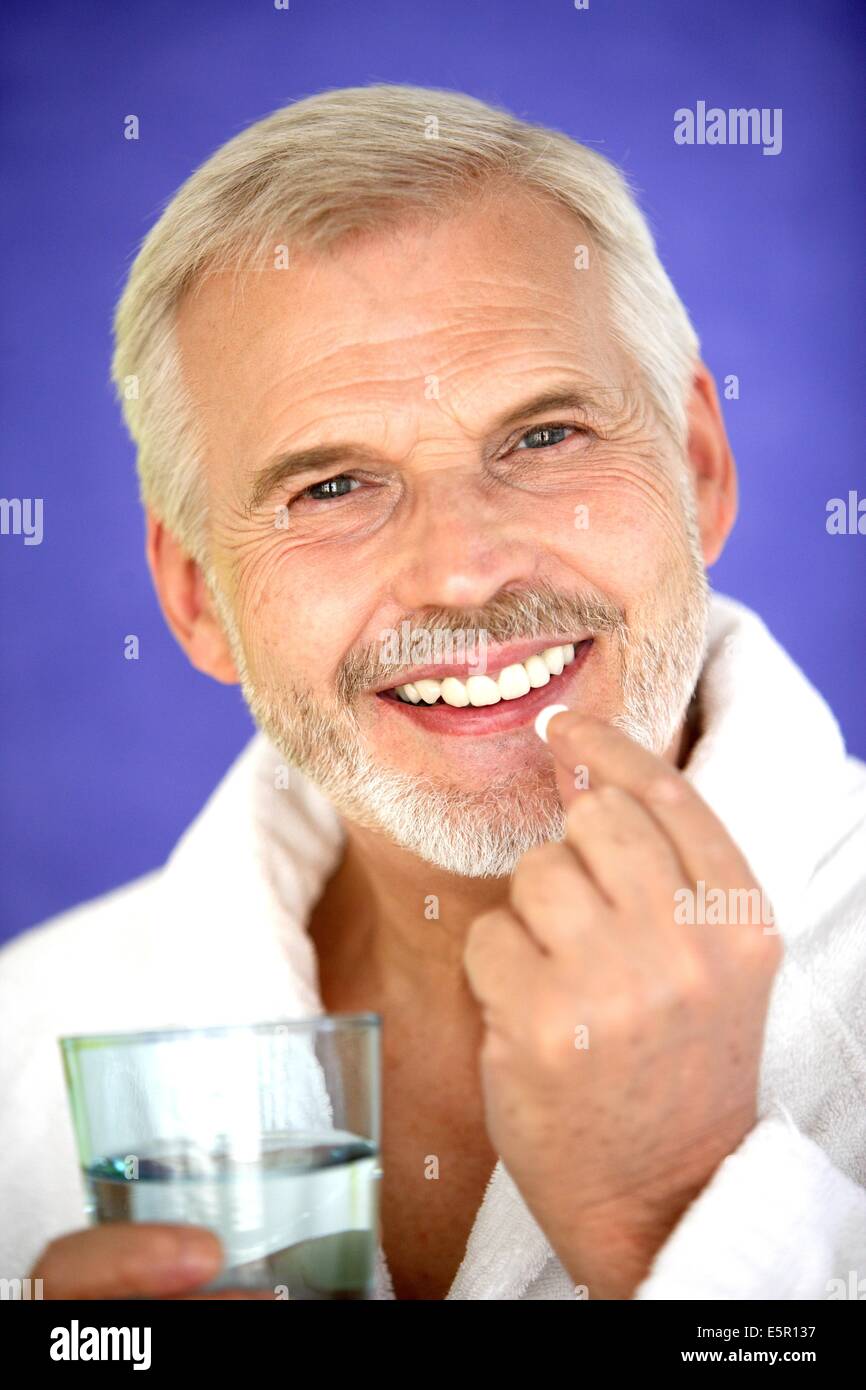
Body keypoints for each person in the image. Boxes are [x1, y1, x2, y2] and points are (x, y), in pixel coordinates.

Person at [2, 84, 864, 1301]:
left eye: (543, 436)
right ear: (197, 597)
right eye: (332, 487)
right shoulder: (19, 1044)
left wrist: (677, 1216)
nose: (462, 569)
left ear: (699, 468)